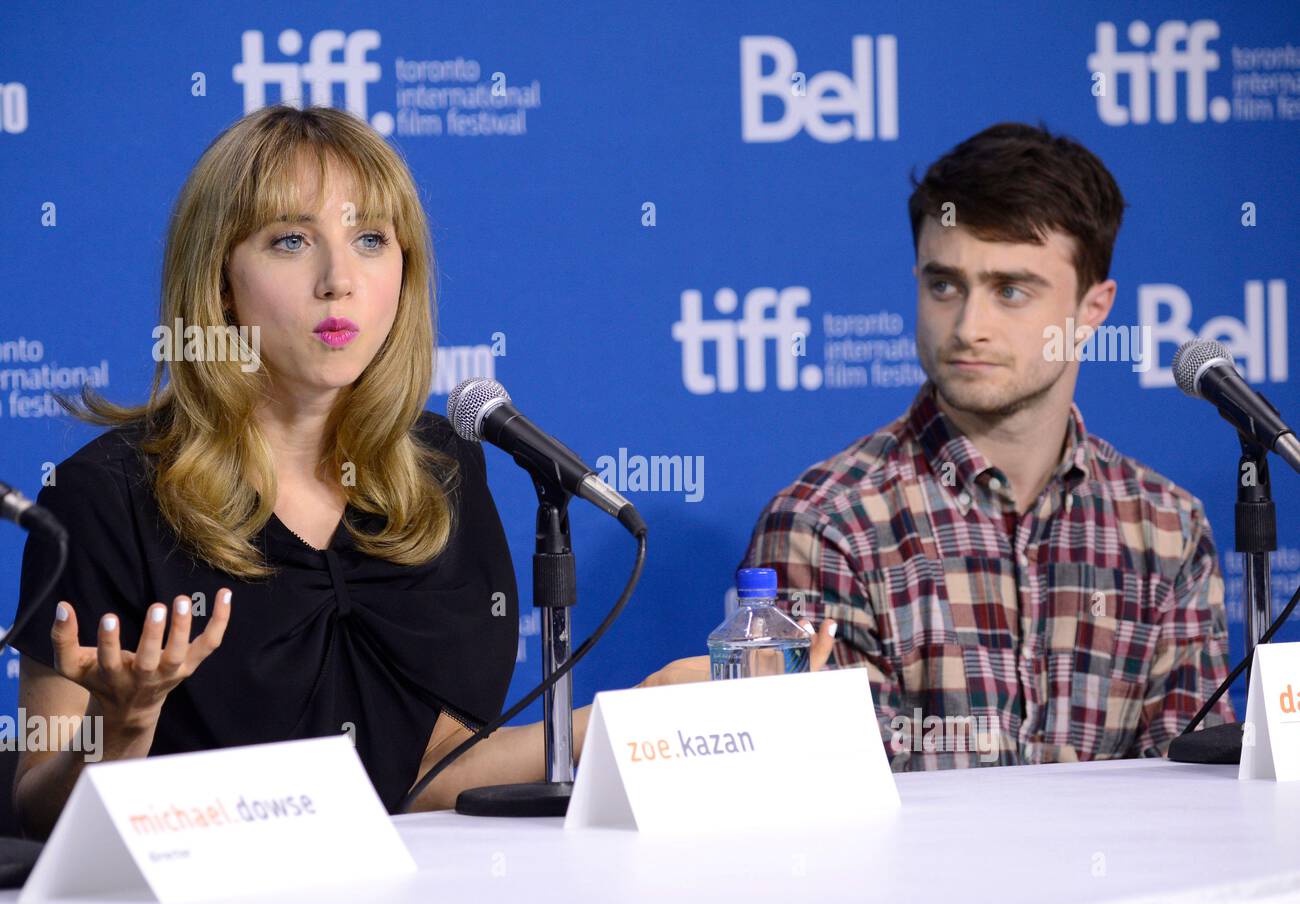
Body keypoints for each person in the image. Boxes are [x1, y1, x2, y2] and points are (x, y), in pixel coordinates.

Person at [9, 104, 591, 840]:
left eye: (371, 239)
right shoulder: (103, 499)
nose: (339, 279)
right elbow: (34, 807)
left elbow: (431, 768)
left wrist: (630, 722)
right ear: (219, 280)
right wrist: (120, 730)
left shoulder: (437, 470)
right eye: (291, 240)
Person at [646, 123, 1235, 768]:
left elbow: (1192, 787)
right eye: (944, 285)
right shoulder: (827, 526)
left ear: (1093, 308)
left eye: (1011, 290)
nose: (968, 327)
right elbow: (832, 793)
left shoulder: (1168, 527)